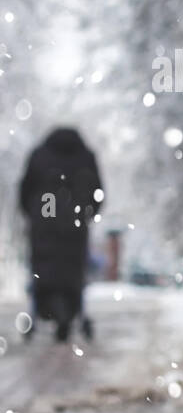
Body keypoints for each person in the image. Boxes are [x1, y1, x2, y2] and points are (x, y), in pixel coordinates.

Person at [19, 128, 103, 342]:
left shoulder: (39, 155)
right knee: (72, 273)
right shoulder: (85, 157)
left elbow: (24, 191)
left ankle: (43, 310)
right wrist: (86, 213)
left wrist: (35, 214)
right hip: (74, 228)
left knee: (44, 271)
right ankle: (71, 311)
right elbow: (98, 193)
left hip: (43, 228)